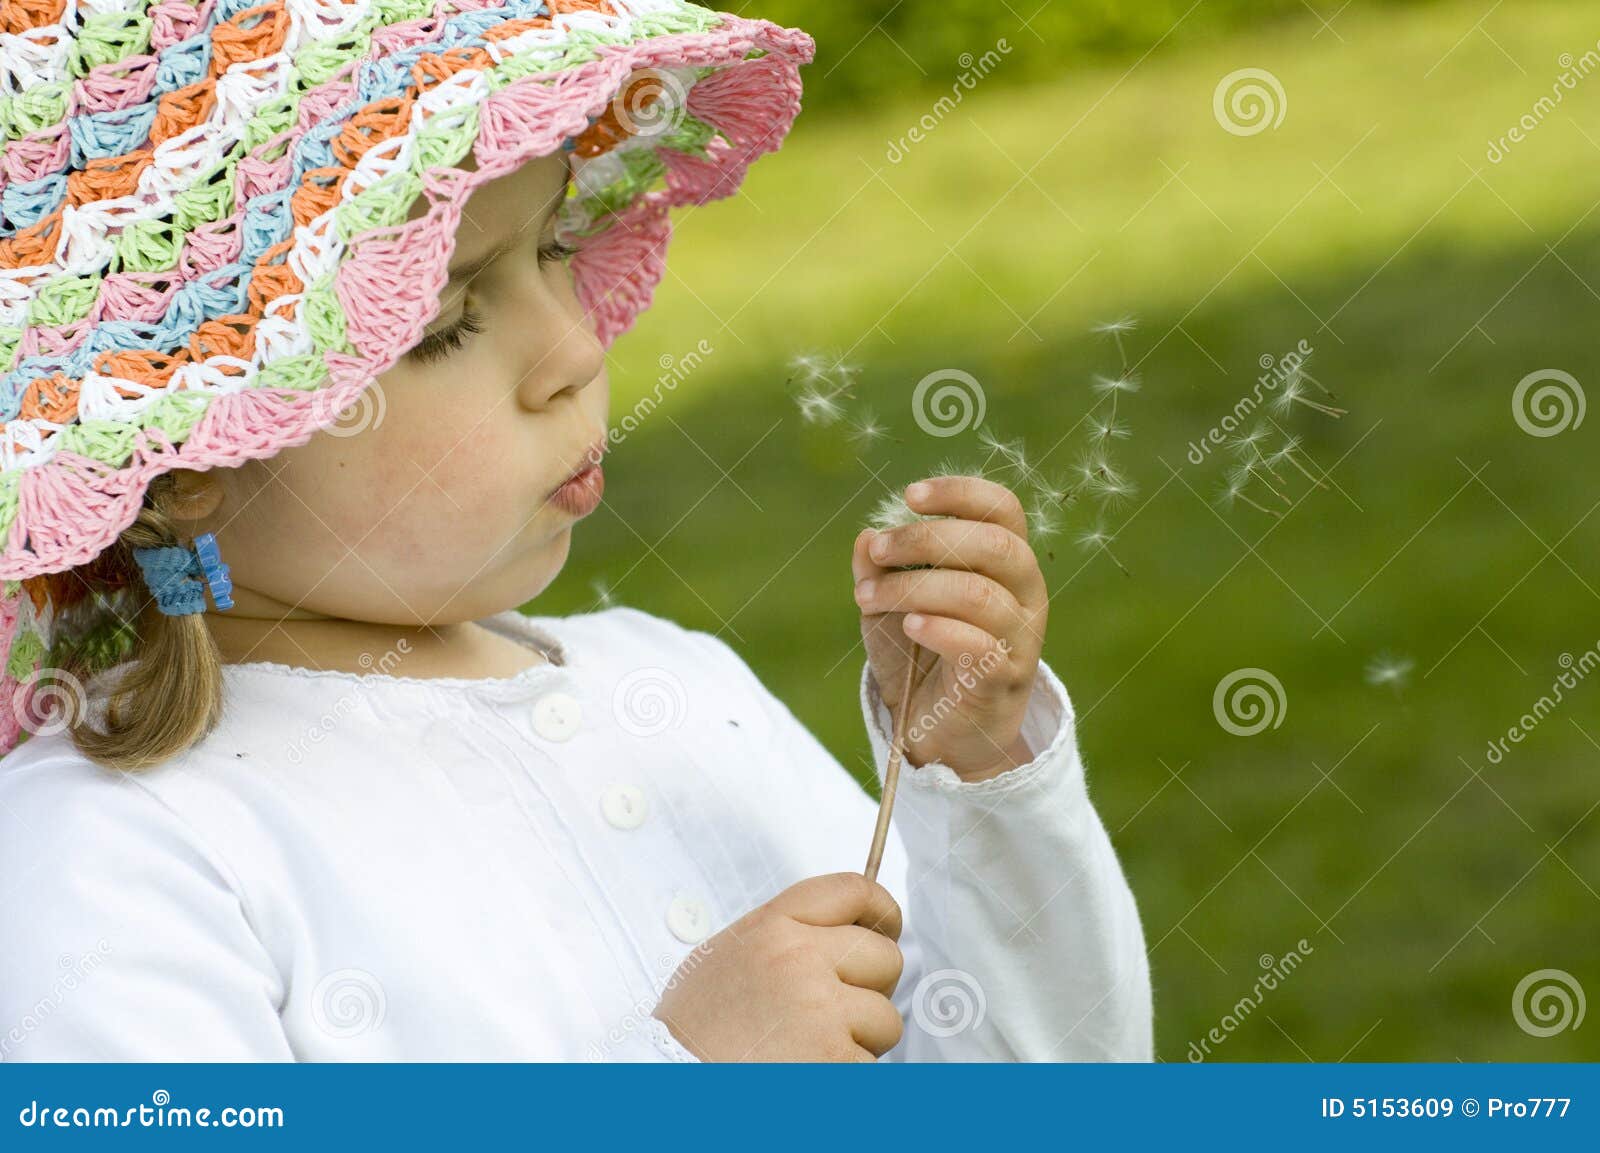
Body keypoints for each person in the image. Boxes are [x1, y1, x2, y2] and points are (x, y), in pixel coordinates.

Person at [0, 0, 1151, 1061]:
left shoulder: (677, 690)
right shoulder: (112, 858)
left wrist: (981, 780)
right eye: (443, 320)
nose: (576, 350)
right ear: (186, 449)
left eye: (553, 249)